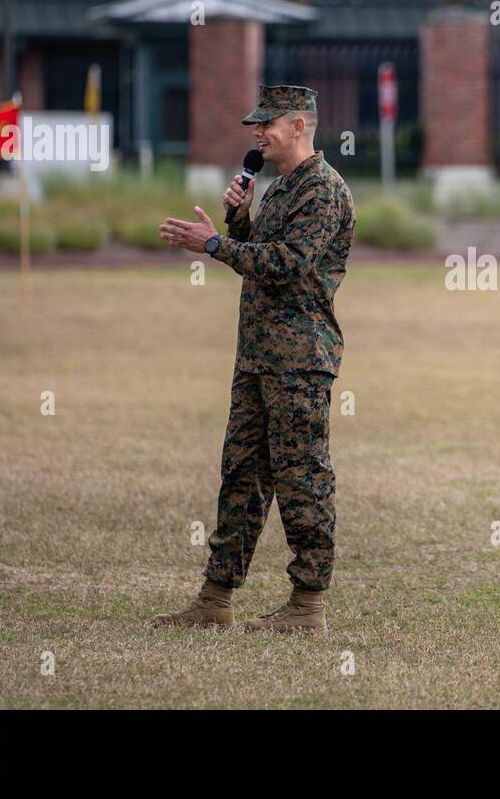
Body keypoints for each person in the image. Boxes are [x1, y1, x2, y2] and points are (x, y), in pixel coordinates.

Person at [152, 84, 355, 635]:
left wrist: (215, 246)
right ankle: (215, 598)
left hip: (299, 361)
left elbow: (287, 263)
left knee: (302, 477)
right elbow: (260, 257)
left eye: (267, 124)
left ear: (298, 127)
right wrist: (237, 224)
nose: (258, 133)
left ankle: (307, 606)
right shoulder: (282, 188)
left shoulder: (323, 190)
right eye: (255, 126)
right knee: (241, 476)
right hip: (258, 357)